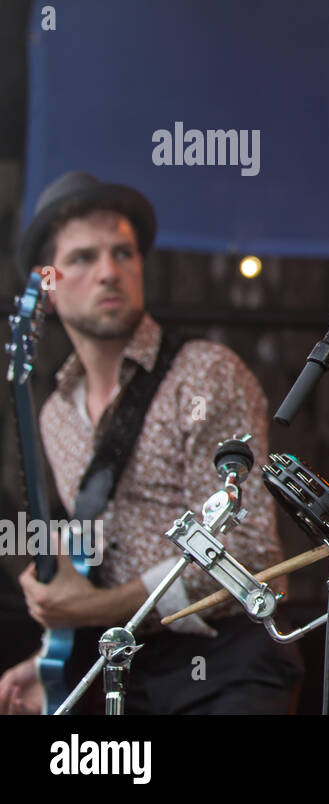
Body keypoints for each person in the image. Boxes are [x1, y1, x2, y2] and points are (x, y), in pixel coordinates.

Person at [0, 171, 302, 714]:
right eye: (85, 257)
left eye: (124, 253)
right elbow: (97, 563)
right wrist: (53, 660)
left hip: (228, 670)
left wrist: (92, 610)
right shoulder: (55, 416)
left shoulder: (205, 375)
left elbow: (250, 555)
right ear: (48, 282)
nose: (110, 271)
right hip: (129, 671)